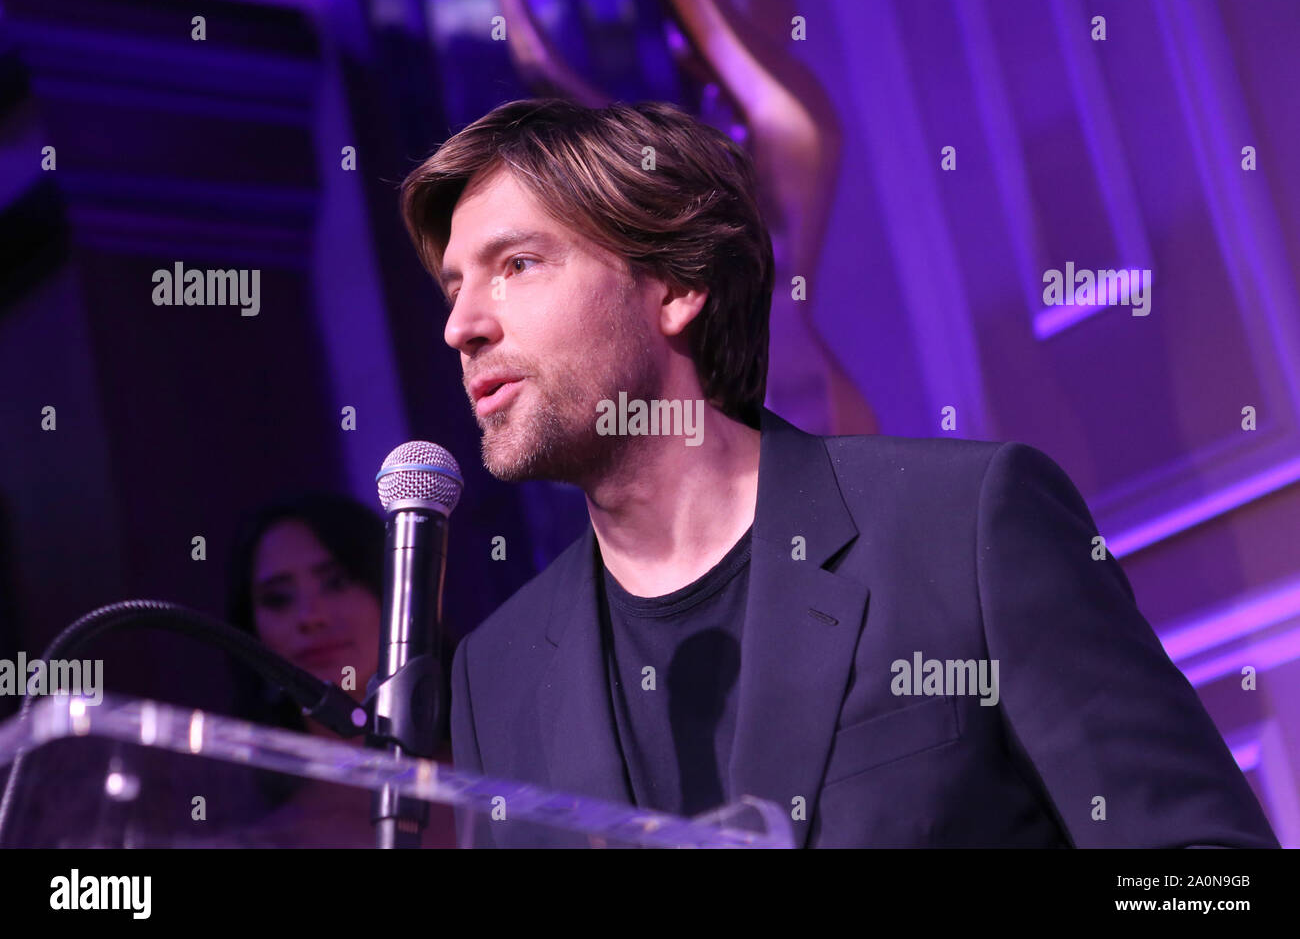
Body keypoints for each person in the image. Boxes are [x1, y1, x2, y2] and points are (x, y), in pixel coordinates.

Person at [398, 98, 1280, 848]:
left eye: (516, 266)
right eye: (452, 288)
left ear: (673, 285)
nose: (463, 325)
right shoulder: (494, 675)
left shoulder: (964, 525)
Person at [221, 491, 457, 848]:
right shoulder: (266, 838)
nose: (310, 617)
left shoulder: (493, 762)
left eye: (336, 582)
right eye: (278, 598)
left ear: (391, 588)